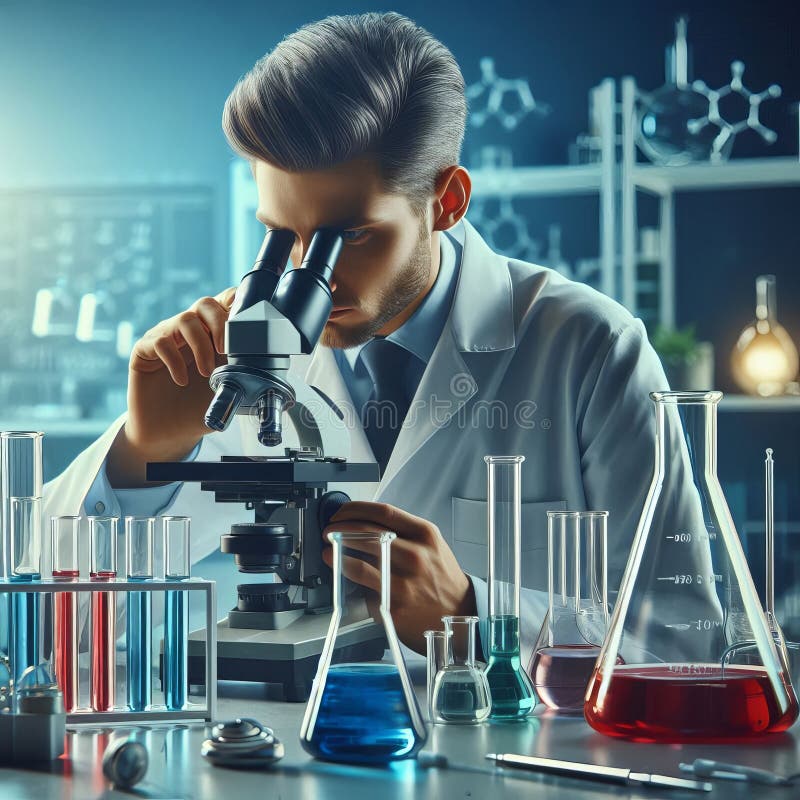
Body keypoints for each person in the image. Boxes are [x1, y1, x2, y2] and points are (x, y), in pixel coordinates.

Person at [44, 12, 669, 659]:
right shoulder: (253, 355)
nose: (318, 276)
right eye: (283, 235)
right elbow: (58, 621)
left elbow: (679, 639)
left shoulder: (592, 349)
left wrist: (473, 612)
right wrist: (143, 452)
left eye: (356, 235)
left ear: (446, 200)